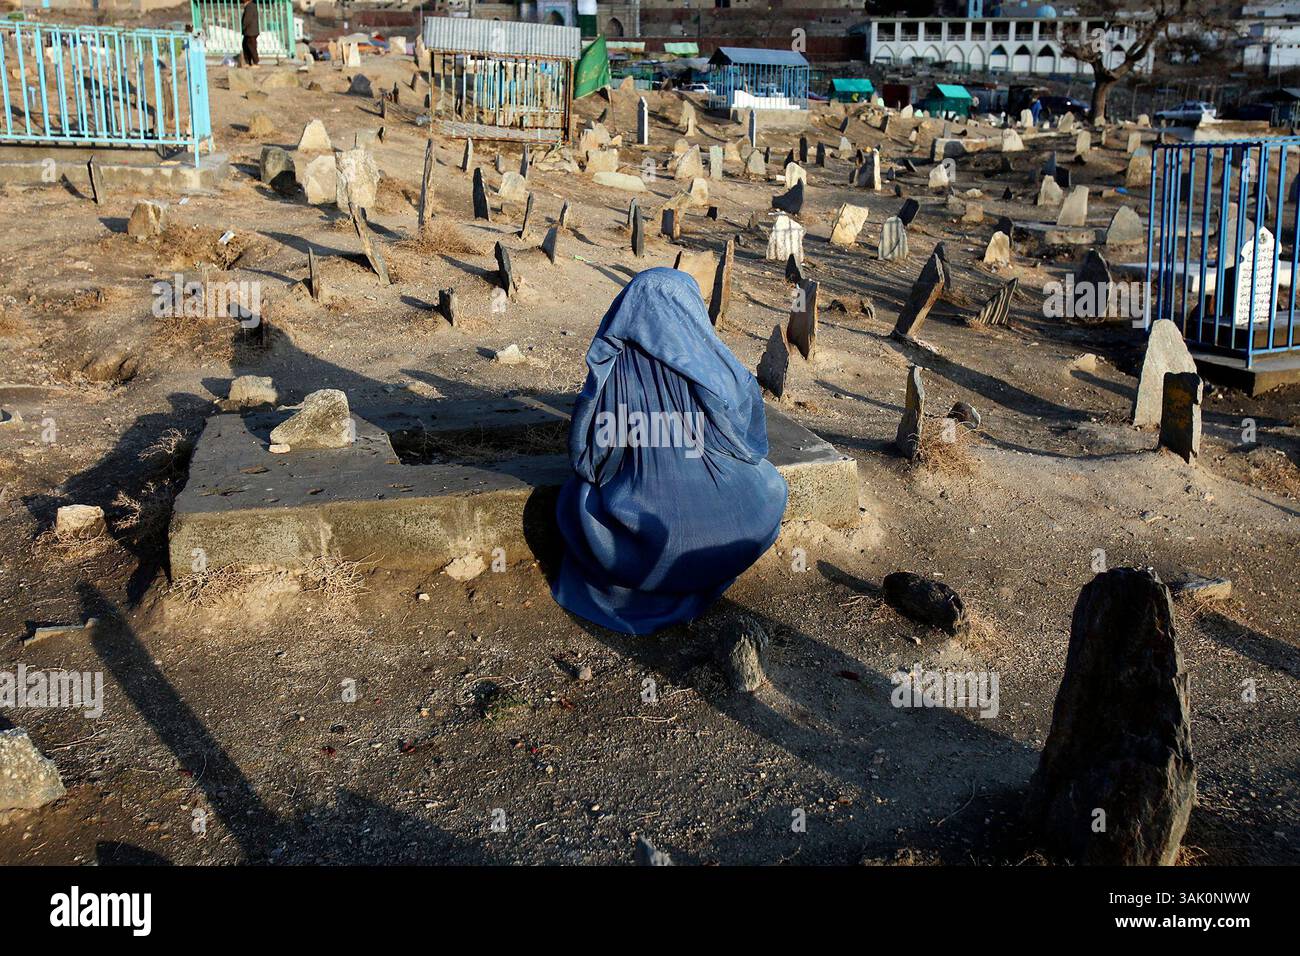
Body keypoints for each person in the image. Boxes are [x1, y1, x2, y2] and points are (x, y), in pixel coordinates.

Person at [551, 268, 789, 635]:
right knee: (769, 484)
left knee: (576, 499)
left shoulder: (612, 367)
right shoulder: (711, 364)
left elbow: (592, 458)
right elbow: (747, 437)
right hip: (724, 538)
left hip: (640, 551)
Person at [240, 0, 260, 69]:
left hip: (250, 31)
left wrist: (244, 26)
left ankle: (255, 62)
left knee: (251, 47)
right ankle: (248, 62)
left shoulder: (250, 7)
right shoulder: (250, 6)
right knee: (246, 45)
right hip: (250, 30)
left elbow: (247, 19)